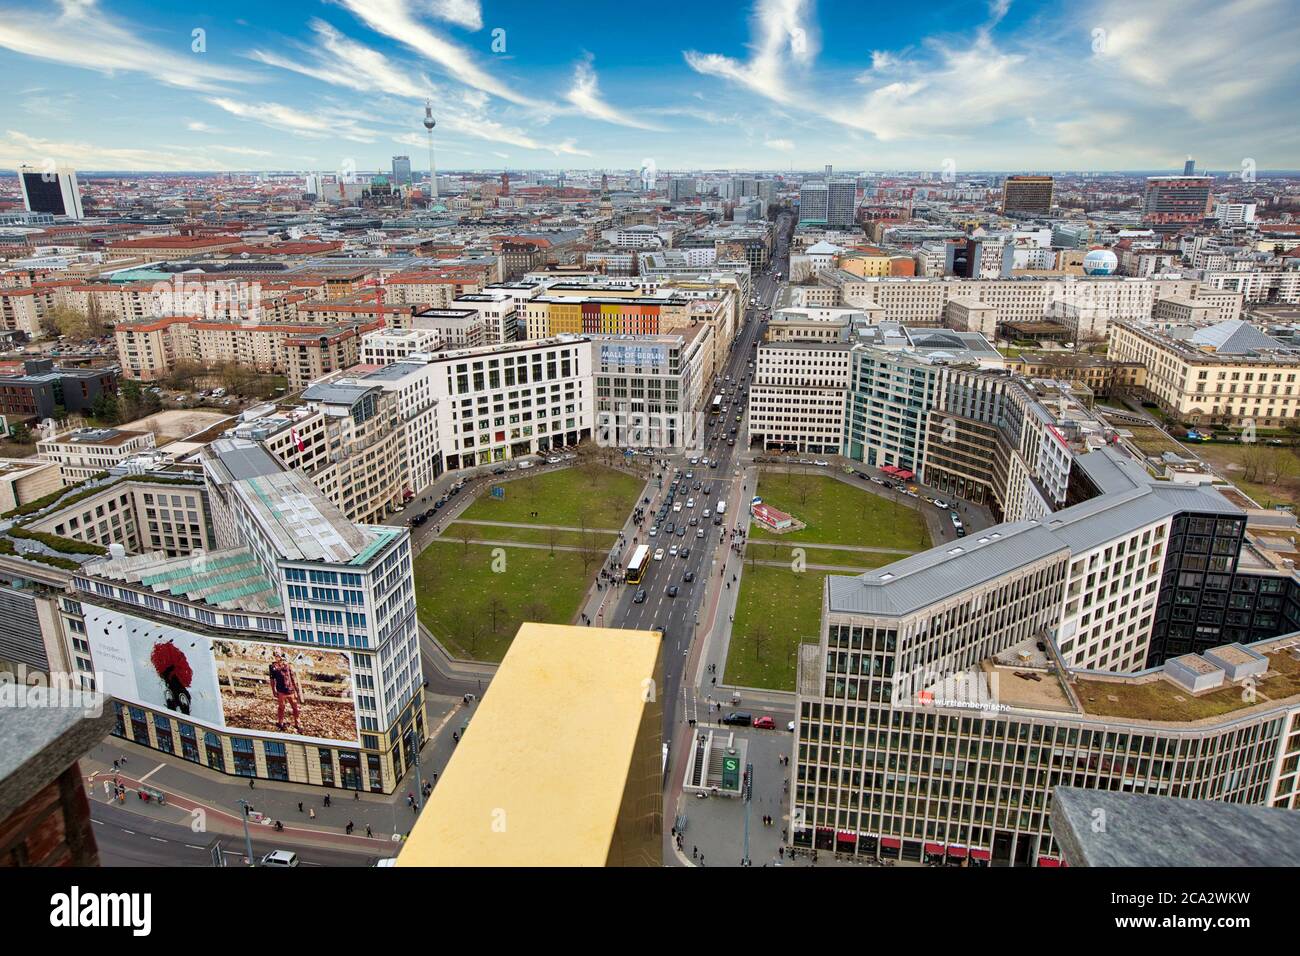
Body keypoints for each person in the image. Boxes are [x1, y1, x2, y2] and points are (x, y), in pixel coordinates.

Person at [269, 650, 304, 735]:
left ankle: (297, 723)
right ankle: (280, 723)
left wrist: (297, 690)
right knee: (281, 707)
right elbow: (272, 679)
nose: (278, 657)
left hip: (290, 690)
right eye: (276, 655)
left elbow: (292, 678)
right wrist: (273, 690)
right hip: (281, 691)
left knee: (295, 707)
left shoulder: (288, 665)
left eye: (279, 655)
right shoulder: (272, 667)